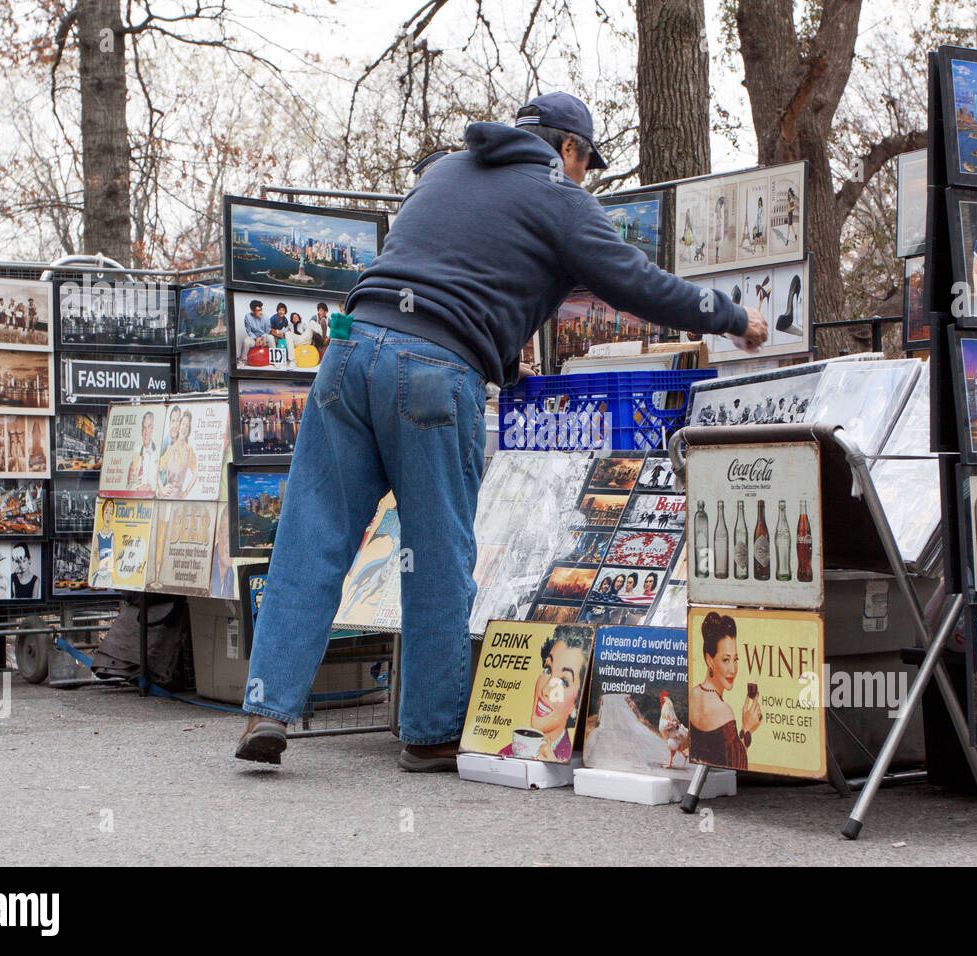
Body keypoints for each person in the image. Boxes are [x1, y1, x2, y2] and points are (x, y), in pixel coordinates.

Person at [236, 91, 766, 770]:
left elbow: (452, 268)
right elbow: (632, 281)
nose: (583, 179)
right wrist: (728, 316)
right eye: (585, 165)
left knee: (310, 535)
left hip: (346, 354)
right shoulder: (559, 193)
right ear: (569, 150)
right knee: (433, 556)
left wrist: (499, 345)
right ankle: (427, 734)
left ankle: (265, 707)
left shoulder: (446, 172)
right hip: (430, 374)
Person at [495, 626, 591, 761]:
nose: (545, 690)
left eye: (563, 682)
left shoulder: (566, 759)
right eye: (547, 669)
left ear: (576, 704)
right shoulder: (505, 752)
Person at [688, 612, 761, 769]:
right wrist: (748, 729)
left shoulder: (693, 694)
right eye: (725, 660)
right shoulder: (723, 711)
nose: (733, 669)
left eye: (735, 659)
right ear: (709, 660)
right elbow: (736, 765)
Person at [157, 410, 197, 499]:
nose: (184, 428)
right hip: (168, 497)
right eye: (183, 424)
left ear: (189, 430)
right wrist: (162, 489)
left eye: (187, 426)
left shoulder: (189, 451)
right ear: (179, 426)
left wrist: (186, 492)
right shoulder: (171, 449)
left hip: (180, 500)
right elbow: (156, 470)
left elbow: (195, 474)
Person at [126, 411, 158, 493]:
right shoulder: (137, 452)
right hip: (137, 498)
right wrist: (134, 486)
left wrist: (151, 488)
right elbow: (129, 484)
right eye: (144, 428)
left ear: (153, 429)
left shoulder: (157, 452)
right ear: (141, 431)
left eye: (149, 427)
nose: (146, 432)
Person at [209, 504, 235, 598]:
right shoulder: (207, 568)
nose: (232, 548)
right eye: (229, 537)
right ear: (219, 534)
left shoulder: (230, 574)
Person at [93, 499, 116, 588]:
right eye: (106, 512)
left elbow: (114, 557)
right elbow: (95, 558)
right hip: (99, 575)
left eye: (111, 513)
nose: (108, 516)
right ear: (102, 514)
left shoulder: (112, 536)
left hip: (108, 575)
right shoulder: (97, 536)